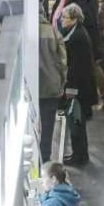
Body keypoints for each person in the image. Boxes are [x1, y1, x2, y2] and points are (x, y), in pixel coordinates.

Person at [61, 4, 97, 166]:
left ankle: (79, 156)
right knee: (77, 122)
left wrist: (71, 89)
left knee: (76, 121)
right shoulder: (77, 33)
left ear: (74, 19)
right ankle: (79, 153)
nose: (62, 21)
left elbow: (77, 67)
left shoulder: (77, 38)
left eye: (65, 18)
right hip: (82, 87)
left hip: (78, 89)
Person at [38, 16, 67, 163]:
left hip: (30, 87)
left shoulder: (24, 29)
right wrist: (62, 82)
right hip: (51, 85)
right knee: (48, 125)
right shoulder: (53, 32)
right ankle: (45, 157)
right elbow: (62, 62)